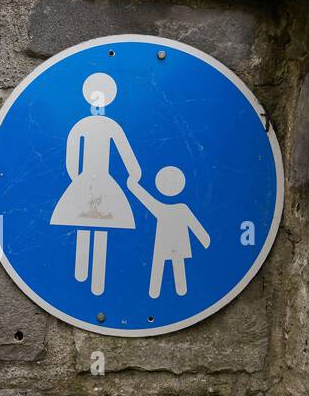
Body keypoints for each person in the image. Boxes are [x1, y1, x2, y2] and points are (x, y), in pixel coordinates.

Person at [50, 73, 142, 295]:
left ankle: (89, 278)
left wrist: (77, 180)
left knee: (92, 225)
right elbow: (126, 155)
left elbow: (72, 160)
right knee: (99, 226)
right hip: (96, 180)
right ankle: (89, 279)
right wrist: (134, 173)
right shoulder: (107, 125)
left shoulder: (84, 125)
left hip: (87, 180)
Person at [127, 165, 210, 297]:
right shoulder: (178, 208)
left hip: (171, 244)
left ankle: (162, 293)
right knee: (169, 266)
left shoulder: (167, 209)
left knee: (167, 266)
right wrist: (205, 239)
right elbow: (195, 226)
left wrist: (133, 186)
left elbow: (148, 200)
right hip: (170, 243)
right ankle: (161, 293)